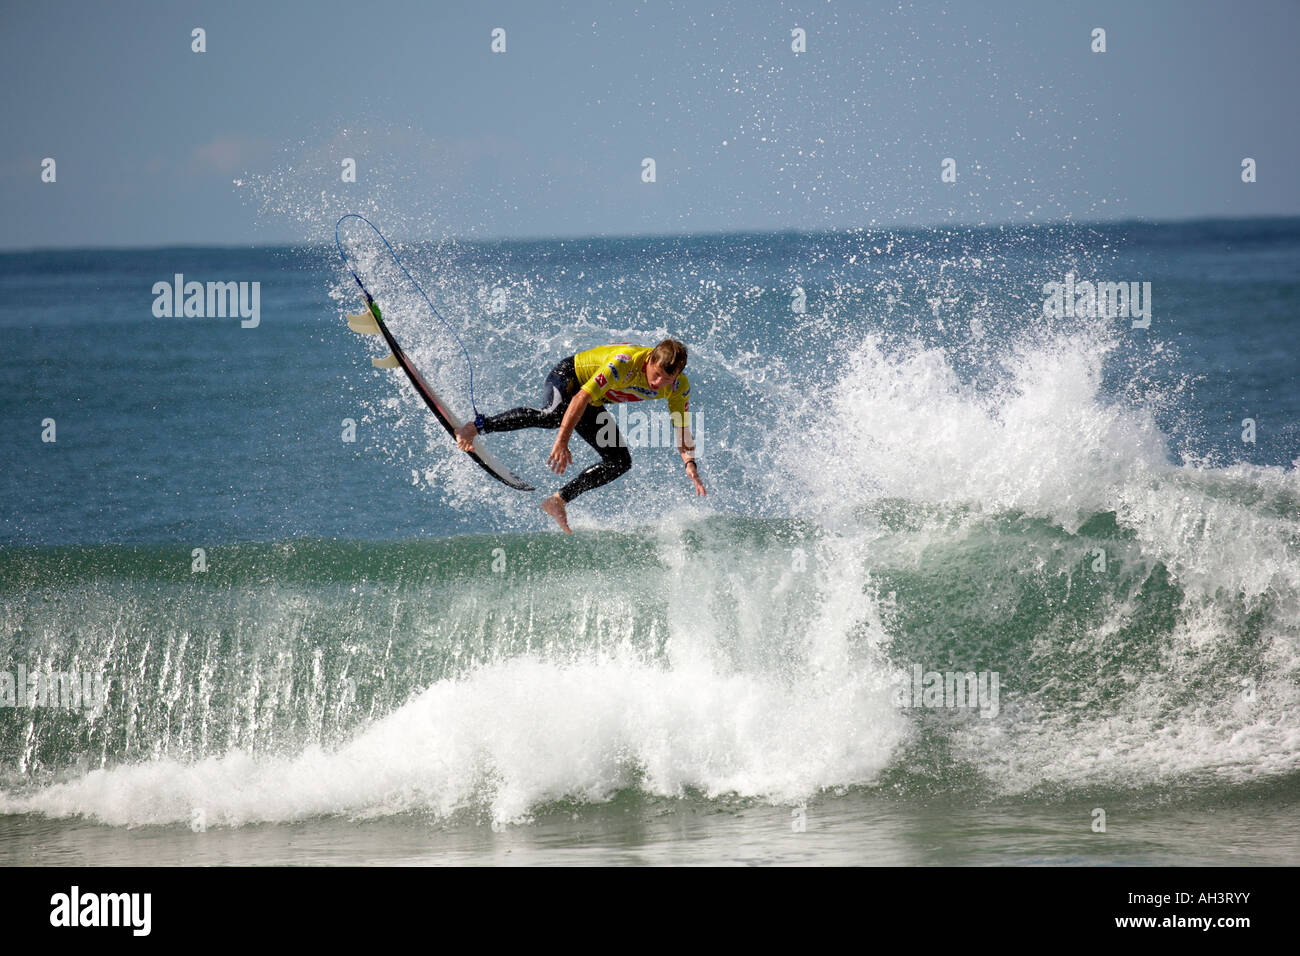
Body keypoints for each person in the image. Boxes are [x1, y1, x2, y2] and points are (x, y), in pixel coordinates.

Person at [454, 339, 705, 532]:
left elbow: (681, 427)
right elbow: (580, 397)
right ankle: (475, 427)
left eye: (667, 378)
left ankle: (558, 501)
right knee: (551, 416)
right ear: (650, 359)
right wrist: (562, 441)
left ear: (677, 375)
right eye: (656, 373)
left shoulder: (677, 387)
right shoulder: (624, 362)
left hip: (592, 402)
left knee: (619, 461)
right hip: (570, 378)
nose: (658, 382)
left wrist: (689, 463)